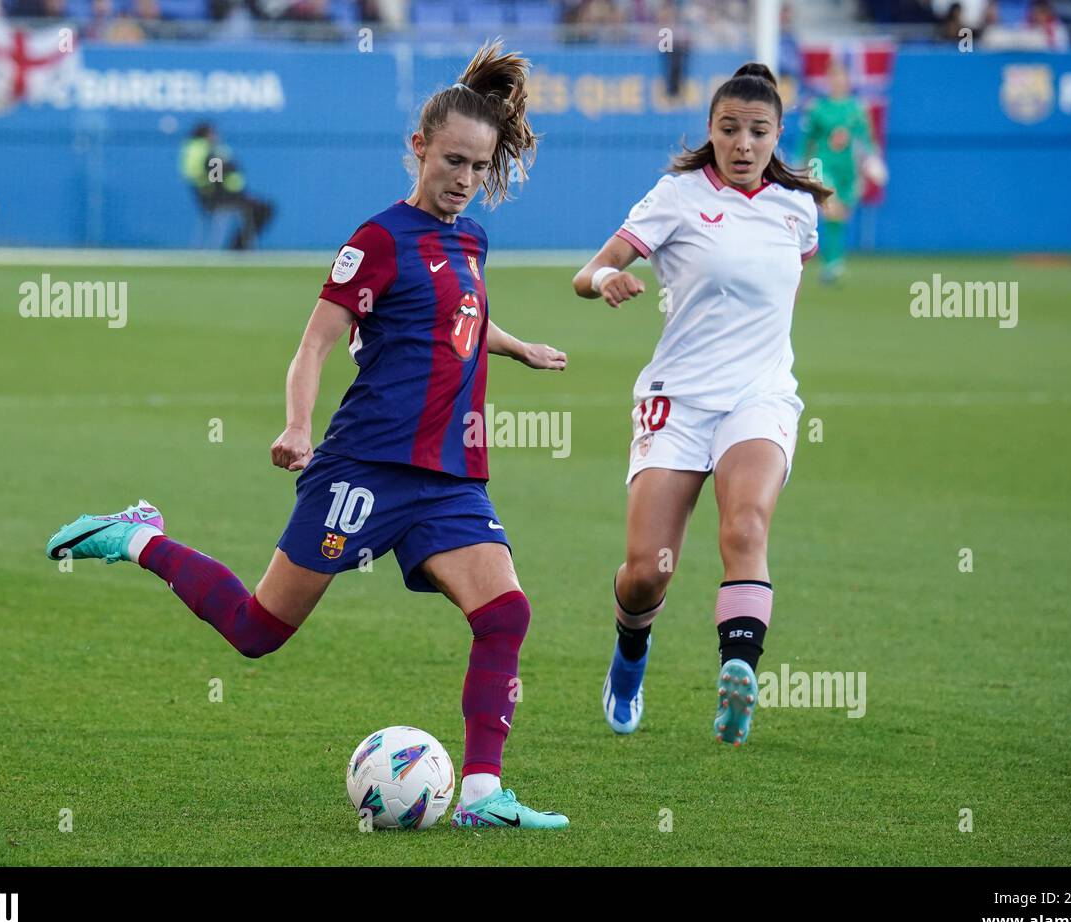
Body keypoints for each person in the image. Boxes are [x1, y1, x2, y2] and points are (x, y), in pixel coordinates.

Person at [48, 41, 571, 830]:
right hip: (364, 465)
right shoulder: (378, 241)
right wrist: (298, 426)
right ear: (419, 148)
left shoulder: (472, 242)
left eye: (478, 166)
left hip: (450, 476)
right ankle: (134, 539)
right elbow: (316, 343)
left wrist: (515, 345)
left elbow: (459, 317)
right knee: (259, 632)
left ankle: (481, 794)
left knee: (505, 614)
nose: (464, 179)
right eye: (452, 160)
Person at [572, 63, 830, 747]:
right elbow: (588, 273)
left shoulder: (798, 210)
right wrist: (607, 280)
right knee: (644, 574)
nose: (743, 144)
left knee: (745, 528)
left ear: (777, 135)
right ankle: (630, 656)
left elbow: (782, 302)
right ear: (710, 133)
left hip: (760, 397)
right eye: (729, 129)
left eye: (758, 131)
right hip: (678, 400)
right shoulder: (677, 197)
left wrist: (764, 368)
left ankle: (737, 675)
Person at [800, 58, 876, 284]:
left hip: (848, 168)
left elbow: (865, 138)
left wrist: (872, 161)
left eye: (841, 76)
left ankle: (833, 262)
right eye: (833, 76)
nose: (838, 81)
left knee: (841, 213)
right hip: (822, 164)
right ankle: (831, 263)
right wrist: (802, 164)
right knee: (832, 206)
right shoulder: (818, 108)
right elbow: (807, 140)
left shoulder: (857, 107)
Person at [180, 122, 275, 250]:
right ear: (206, 135)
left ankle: (238, 246)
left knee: (261, 207)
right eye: (213, 133)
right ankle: (238, 247)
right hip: (222, 198)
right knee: (263, 208)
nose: (216, 136)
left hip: (219, 196)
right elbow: (217, 179)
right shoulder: (211, 153)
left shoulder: (196, 150)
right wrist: (238, 193)